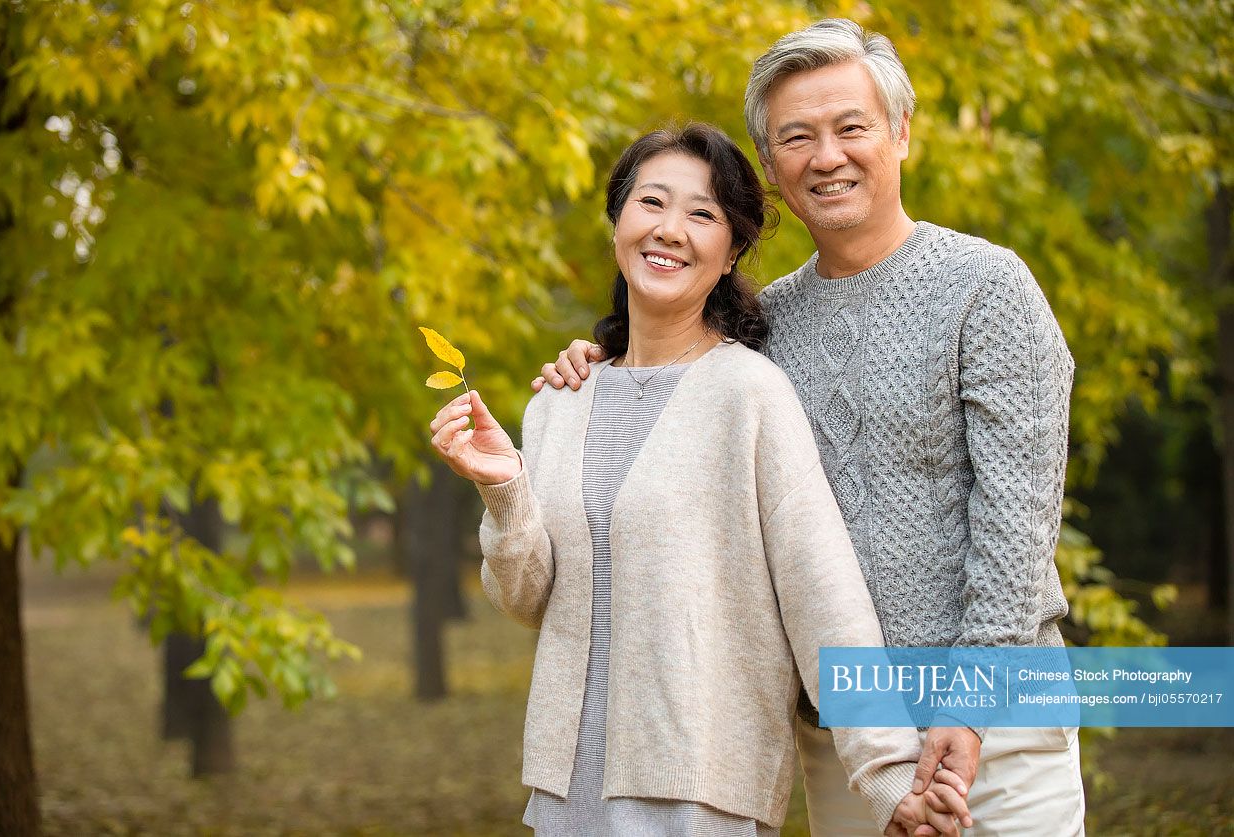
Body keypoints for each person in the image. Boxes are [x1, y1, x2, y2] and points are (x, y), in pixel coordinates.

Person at [535, 19, 1086, 837]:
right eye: (796, 137)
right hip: (846, 741)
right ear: (770, 168)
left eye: (850, 127)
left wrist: (965, 716)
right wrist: (592, 366)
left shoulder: (986, 288)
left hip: (998, 733)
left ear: (899, 133)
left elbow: (1016, 528)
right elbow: (672, 376)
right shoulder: (766, 328)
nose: (826, 156)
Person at [430, 123, 972, 836]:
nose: (669, 229)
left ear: (730, 254)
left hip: (699, 794)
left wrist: (886, 774)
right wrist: (504, 490)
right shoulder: (558, 404)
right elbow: (528, 598)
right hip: (564, 794)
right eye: (650, 202)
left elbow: (824, 594)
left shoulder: (749, 394)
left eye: (702, 214)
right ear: (617, 223)